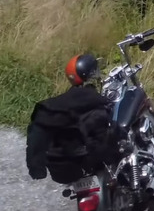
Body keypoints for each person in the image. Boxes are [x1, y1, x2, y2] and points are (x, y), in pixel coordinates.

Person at [24, 53, 115, 181]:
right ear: (91, 75)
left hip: (60, 171)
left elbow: (35, 139)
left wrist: (37, 169)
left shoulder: (51, 108)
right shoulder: (95, 101)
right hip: (91, 161)